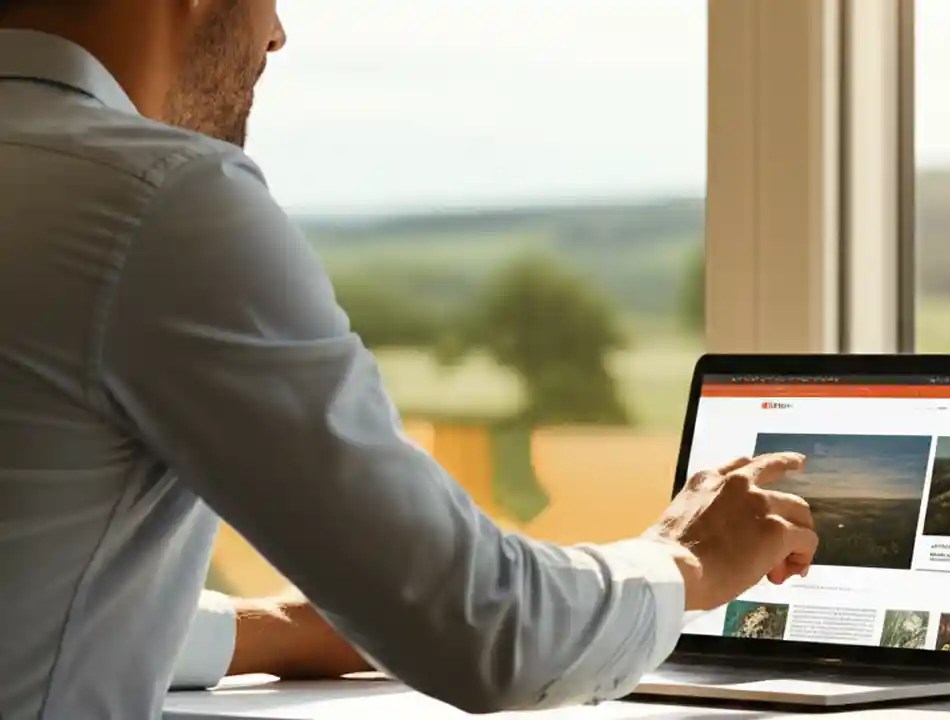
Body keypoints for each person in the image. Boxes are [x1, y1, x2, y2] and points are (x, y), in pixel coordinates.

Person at [0, 1, 820, 718]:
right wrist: (687, 561)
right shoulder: (159, 200)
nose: (276, 34)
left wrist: (272, 632)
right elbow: (484, 631)